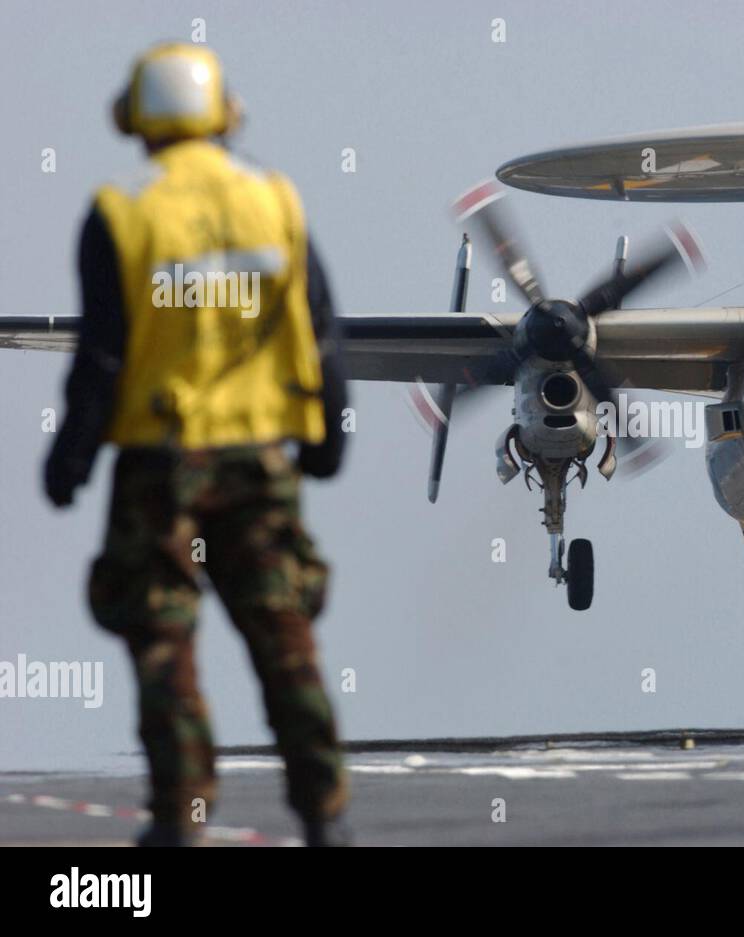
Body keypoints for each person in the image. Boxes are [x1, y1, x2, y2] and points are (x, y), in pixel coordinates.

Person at [43, 42, 352, 846]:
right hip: (261, 455)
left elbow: (101, 355)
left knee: (162, 641)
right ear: (225, 114)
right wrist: (325, 439)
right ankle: (327, 814)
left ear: (134, 119)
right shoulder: (274, 201)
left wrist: (71, 456)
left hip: (159, 462)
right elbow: (322, 333)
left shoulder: (122, 212)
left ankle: (180, 818)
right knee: (284, 634)